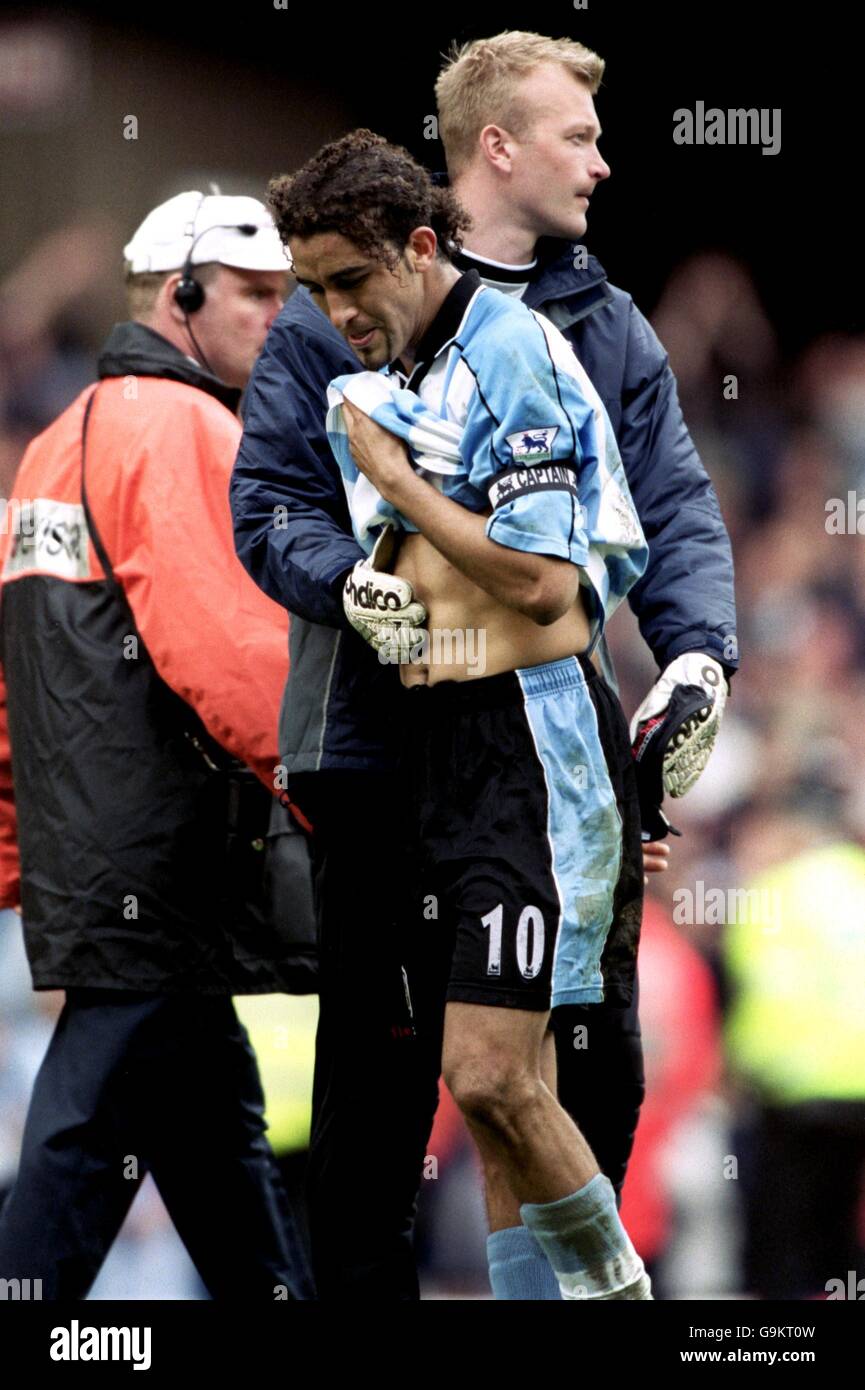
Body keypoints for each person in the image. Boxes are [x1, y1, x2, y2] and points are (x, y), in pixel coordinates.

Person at [230, 34, 736, 1299]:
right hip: (382, 753)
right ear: (496, 149)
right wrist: (341, 580)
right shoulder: (335, 314)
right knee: (399, 1094)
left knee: (553, 1073)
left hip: (535, 744)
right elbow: (271, 504)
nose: (602, 163)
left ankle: (591, 1293)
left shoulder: (589, 327)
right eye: (581, 136)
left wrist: (698, 657)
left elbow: (648, 526)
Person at [274, 127, 654, 1300]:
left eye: (350, 279)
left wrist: (394, 487)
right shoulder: (393, 375)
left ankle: (617, 1294)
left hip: (532, 744)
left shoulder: (508, 352)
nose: (334, 309)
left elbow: (544, 585)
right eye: (312, 289)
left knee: (488, 1074)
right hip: (438, 750)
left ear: (423, 244)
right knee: (493, 1099)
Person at [0, 190, 314, 1301]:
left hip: (102, 870)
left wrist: (14, 850)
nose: (282, 317)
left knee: (222, 1162)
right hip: (161, 875)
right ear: (182, 293)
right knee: (74, 1155)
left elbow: (18, 674)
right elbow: (232, 654)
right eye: (258, 294)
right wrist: (342, 799)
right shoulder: (186, 425)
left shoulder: (51, 444)